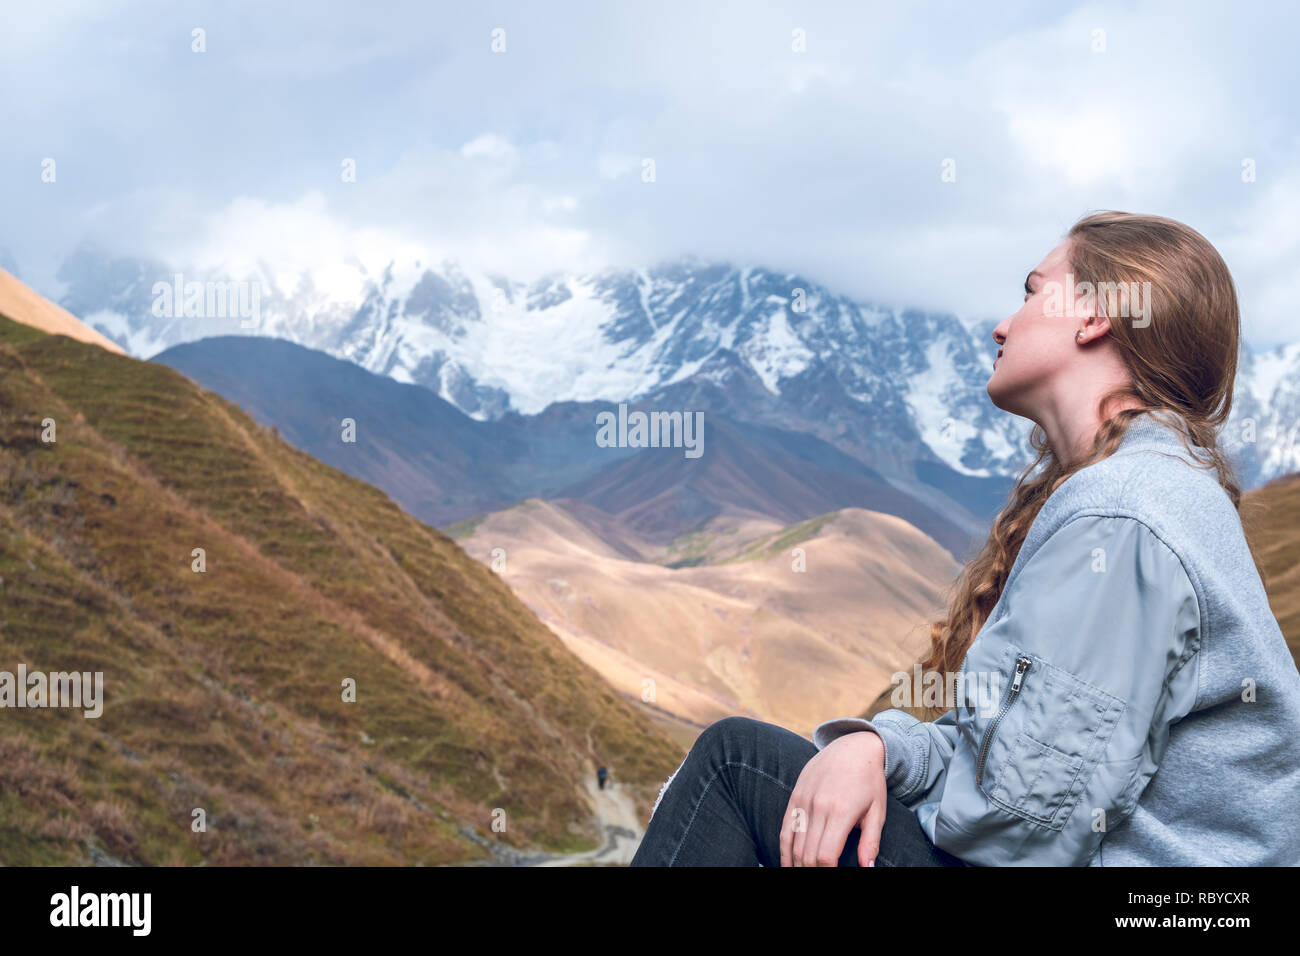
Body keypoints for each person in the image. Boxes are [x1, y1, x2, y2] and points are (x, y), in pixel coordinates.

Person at [630, 211, 1300, 867]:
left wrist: (860, 794)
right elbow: (1012, 758)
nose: (1001, 325)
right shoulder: (1140, 493)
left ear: (1095, 317)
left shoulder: (1123, 517)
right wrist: (878, 752)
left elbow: (1022, 822)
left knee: (736, 767)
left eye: (1033, 292)